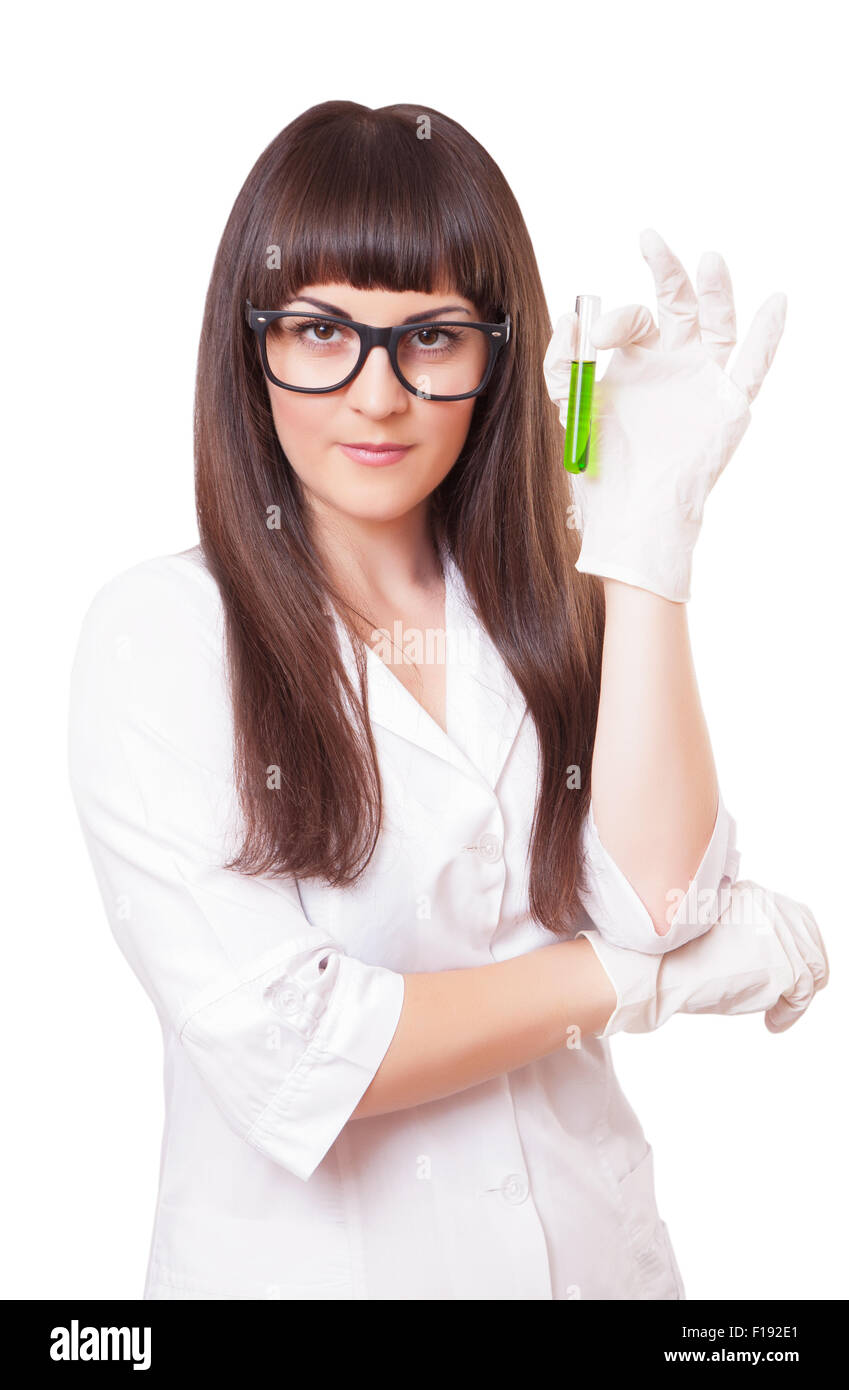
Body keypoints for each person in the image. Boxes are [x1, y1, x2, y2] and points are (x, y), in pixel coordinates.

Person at [66, 100, 828, 1301]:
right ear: (247, 343)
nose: (378, 393)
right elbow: (301, 1052)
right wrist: (641, 985)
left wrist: (646, 538)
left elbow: (663, 899)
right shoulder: (159, 636)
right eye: (321, 330)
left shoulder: (551, 600)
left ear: (498, 352)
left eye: (432, 337)